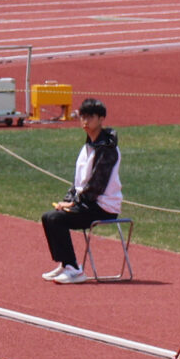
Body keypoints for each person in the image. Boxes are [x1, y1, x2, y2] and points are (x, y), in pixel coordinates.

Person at [40, 98, 122, 284]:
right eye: (82, 117)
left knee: (56, 219)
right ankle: (65, 263)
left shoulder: (107, 150)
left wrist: (74, 203)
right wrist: (67, 200)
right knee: (49, 216)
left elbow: (97, 184)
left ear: (101, 119)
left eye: (90, 117)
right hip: (86, 204)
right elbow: (77, 183)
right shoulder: (87, 146)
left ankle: (75, 269)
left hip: (103, 207)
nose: (84, 121)